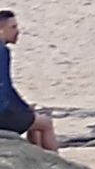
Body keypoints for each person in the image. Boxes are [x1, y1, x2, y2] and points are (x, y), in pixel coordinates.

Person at [0, 12, 57, 151]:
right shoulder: (2, 51)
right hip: (2, 115)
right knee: (45, 124)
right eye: (13, 27)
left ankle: (39, 159)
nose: (17, 31)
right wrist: (24, 107)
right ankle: (55, 164)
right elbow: (5, 87)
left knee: (34, 123)